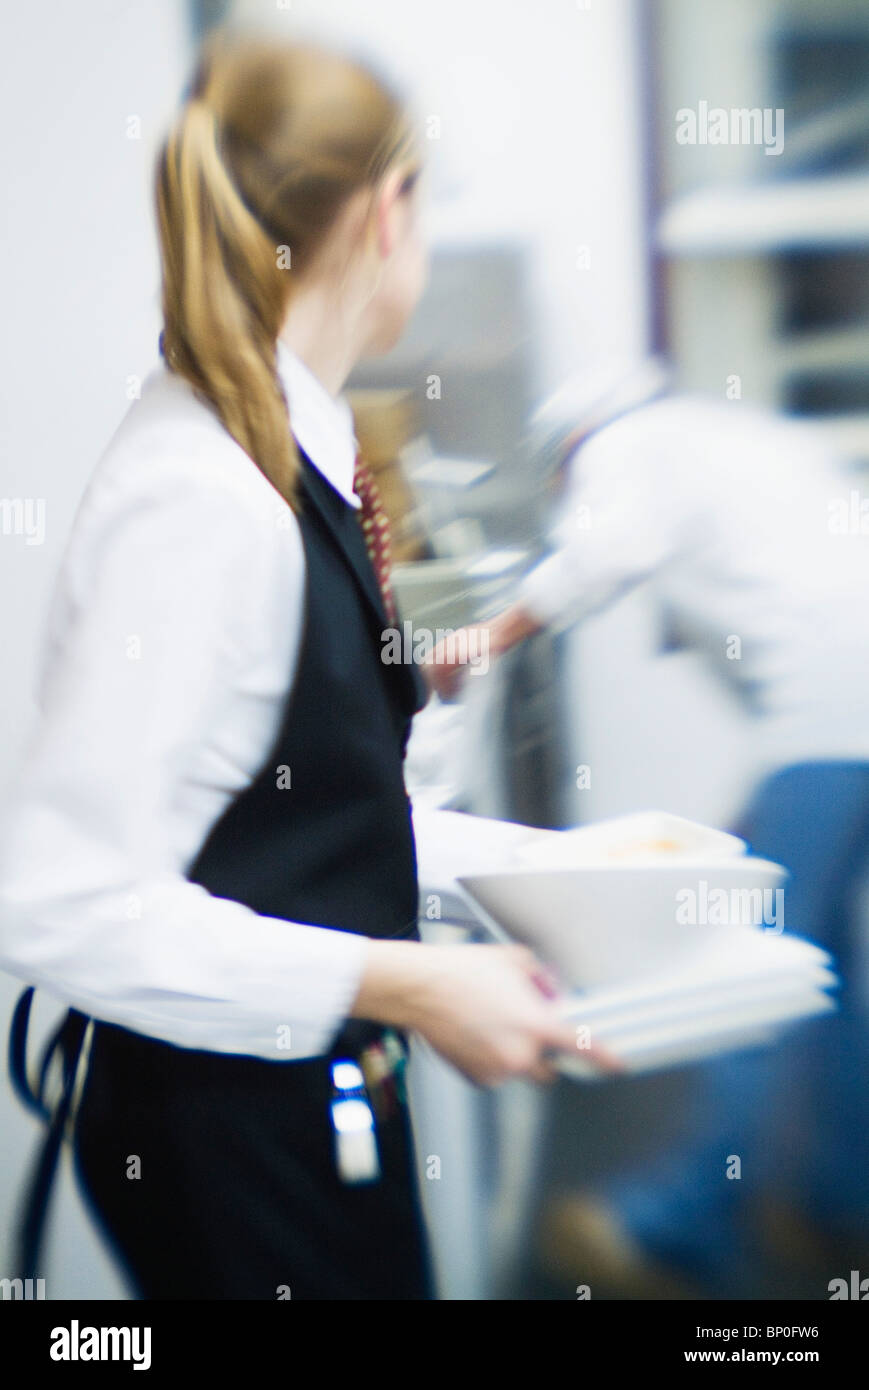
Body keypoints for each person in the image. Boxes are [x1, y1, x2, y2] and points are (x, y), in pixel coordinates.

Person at [0, 32, 598, 1302]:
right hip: (229, 1138)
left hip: (302, 1097)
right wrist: (411, 981)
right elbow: (57, 899)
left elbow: (302, 823)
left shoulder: (290, 448)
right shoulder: (204, 500)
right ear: (388, 211)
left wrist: (575, 874)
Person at [429, 362, 869, 1296]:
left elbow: (602, 551)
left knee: (750, 965)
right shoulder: (733, 441)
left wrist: (482, 637)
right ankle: (838, 1199)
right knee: (823, 970)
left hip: (836, 719)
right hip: (842, 724)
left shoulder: (629, 447)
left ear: (569, 455)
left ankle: (672, 1227)